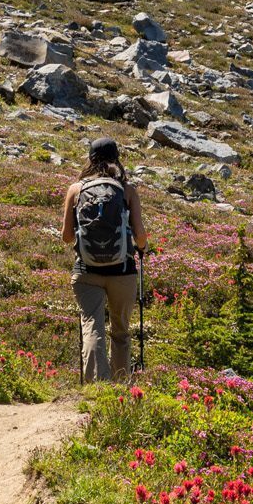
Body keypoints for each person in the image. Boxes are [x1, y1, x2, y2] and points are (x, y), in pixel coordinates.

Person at [61, 137, 148, 381]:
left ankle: (96, 387)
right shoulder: (127, 191)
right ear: (116, 158)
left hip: (86, 271)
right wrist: (141, 246)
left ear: (90, 158)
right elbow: (140, 236)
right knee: (120, 332)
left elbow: (67, 237)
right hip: (123, 272)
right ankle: (119, 387)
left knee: (92, 326)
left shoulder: (76, 189)